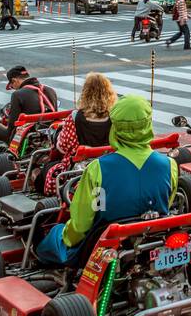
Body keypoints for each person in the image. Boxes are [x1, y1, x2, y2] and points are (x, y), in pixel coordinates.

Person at [36, 94, 178, 267]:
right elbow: (166, 202)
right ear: (148, 124)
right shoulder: (169, 164)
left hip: (103, 247)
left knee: (54, 234)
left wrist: (65, 236)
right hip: (153, 238)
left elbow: (81, 224)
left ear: (115, 127)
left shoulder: (98, 168)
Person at [43, 73, 117, 196]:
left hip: (80, 169)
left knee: (48, 169)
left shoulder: (75, 117)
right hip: (110, 166)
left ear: (85, 93)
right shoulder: (115, 117)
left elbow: (62, 147)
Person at [0, 65, 61, 147]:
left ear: (14, 81)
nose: (13, 88)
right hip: (50, 133)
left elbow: (11, 129)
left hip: (27, 137)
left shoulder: (17, 94)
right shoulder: (51, 90)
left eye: (12, 86)